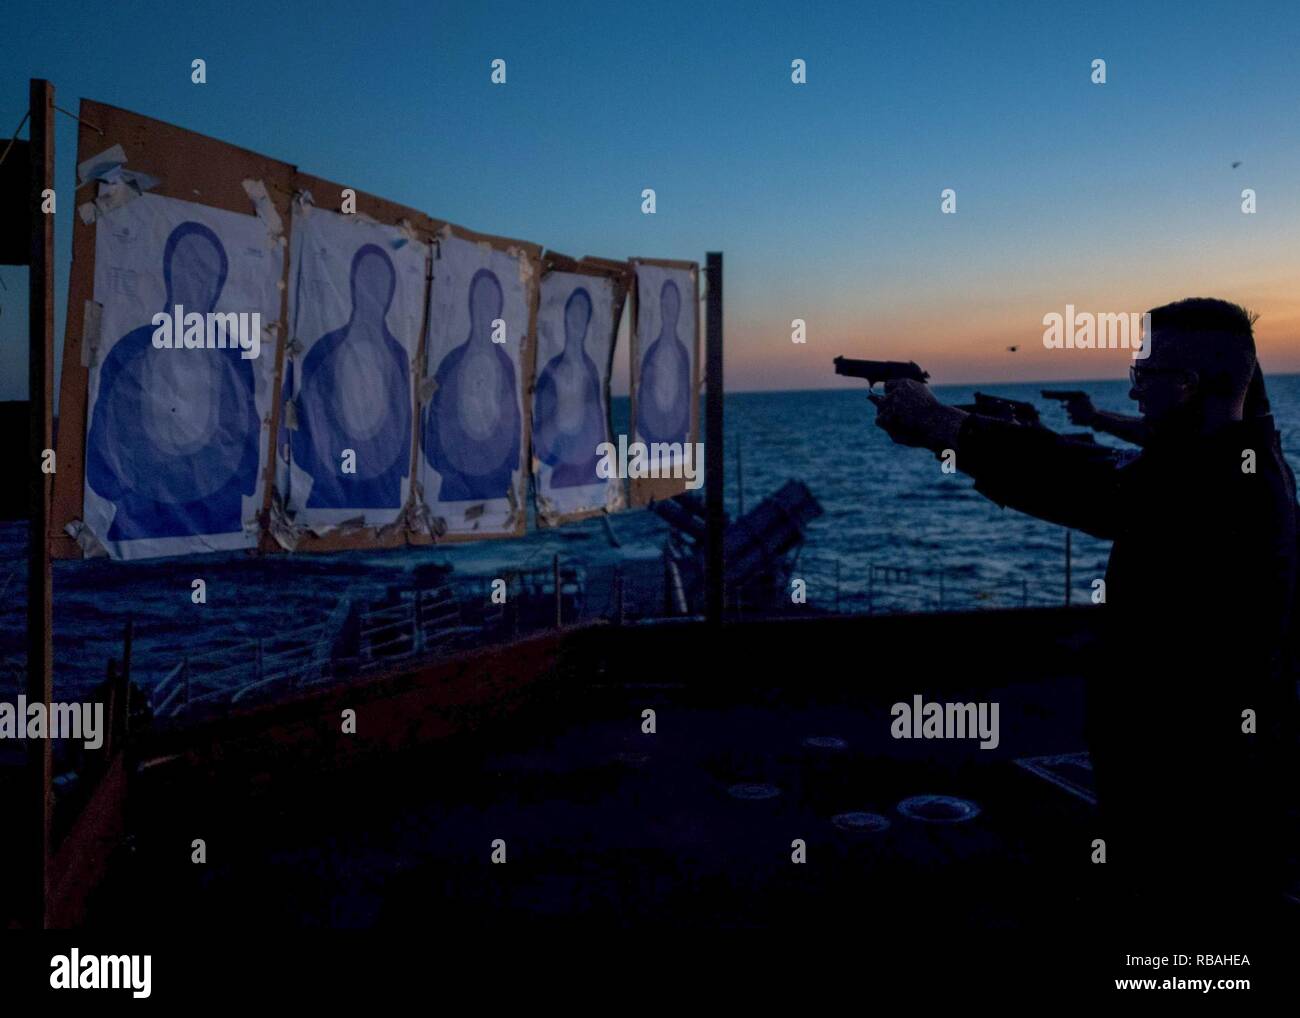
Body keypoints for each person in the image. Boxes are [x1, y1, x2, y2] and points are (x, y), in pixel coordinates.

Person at [871, 298, 1297, 935]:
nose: (1135, 390)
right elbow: (1108, 467)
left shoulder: (1220, 485)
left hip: (1187, 782)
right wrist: (982, 430)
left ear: (1191, 388)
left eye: (1145, 376)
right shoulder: (1237, 455)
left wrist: (949, 429)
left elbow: (1091, 486)